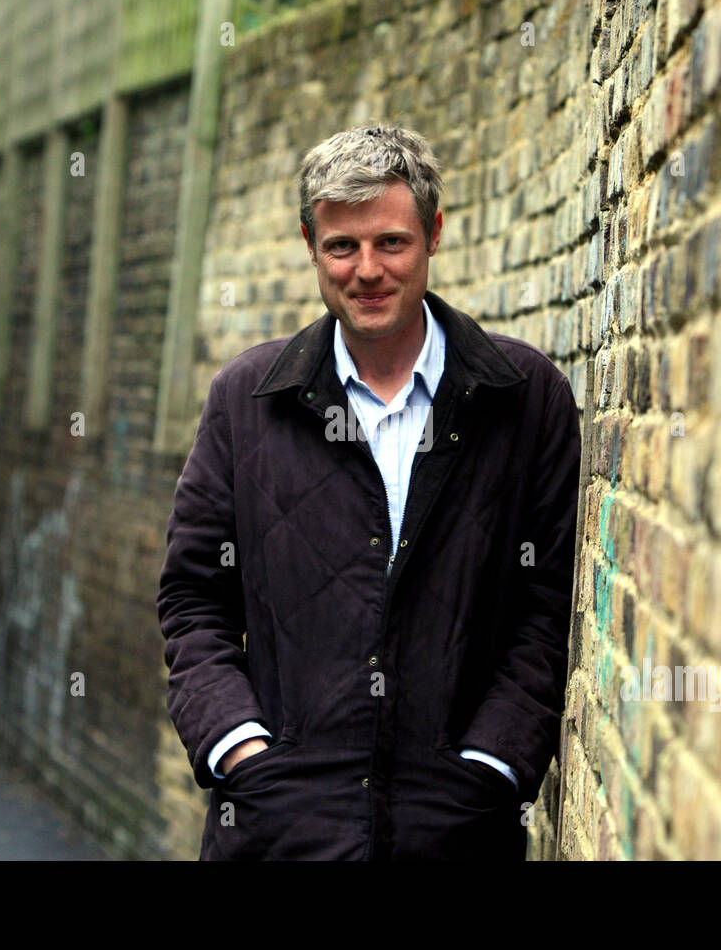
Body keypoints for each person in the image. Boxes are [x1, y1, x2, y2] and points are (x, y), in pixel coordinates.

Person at [156, 123, 580, 860]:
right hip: (276, 832)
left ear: (434, 234)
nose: (366, 270)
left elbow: (543, 610)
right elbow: (195, 601)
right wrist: (242, 754)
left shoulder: (523, 396)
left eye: (391, 242)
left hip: (458, 831)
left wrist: (492, 766)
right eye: (341, 247)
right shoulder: (245, 399)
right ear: (310, 245)